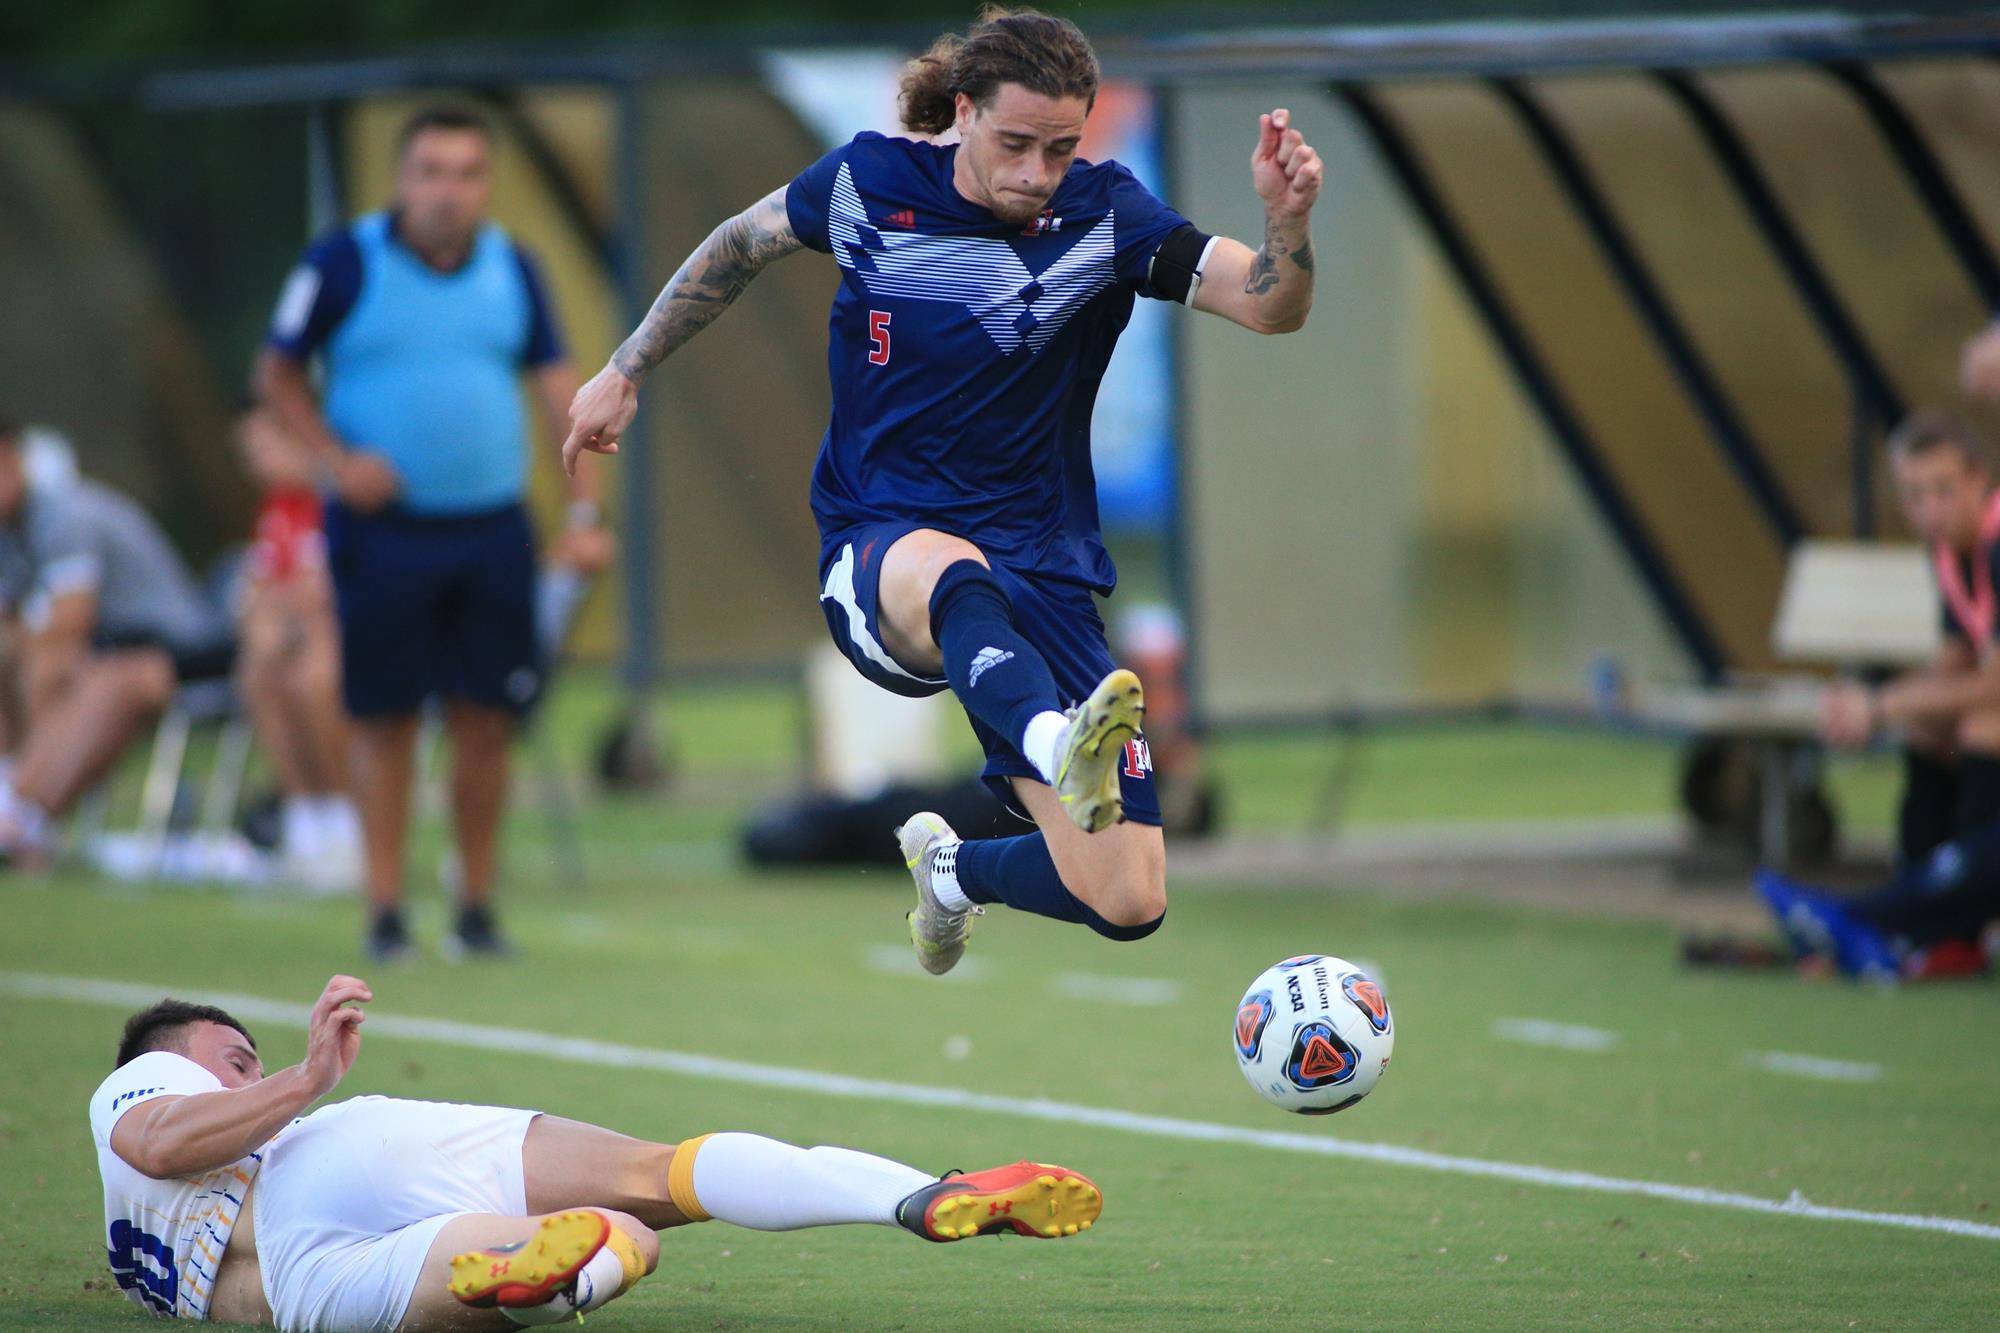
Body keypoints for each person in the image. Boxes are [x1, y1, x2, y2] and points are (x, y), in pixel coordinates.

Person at [562, 8, 1321, 974]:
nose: (1037, 172)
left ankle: (955, 873)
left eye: (1061, 148)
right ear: (962, 112)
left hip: (1043, 575)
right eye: (1016, 143)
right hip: (883, 550)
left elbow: (1268, 305)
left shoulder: (1108, 217)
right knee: (954, 567)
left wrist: (1287, 222)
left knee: (1129, 897)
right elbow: (740, 243)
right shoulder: (867, 185)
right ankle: (1053, 741)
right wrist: (625, 367)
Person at [90, 975, 1103, 1329]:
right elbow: (162, 1140)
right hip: (336, 1161)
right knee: (655, 1178)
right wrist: (302, 1080)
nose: (249, 1073)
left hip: (304, 1292)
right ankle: (912, 1196)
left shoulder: (132, 1258)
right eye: (234, 1057)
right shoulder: (138, 1084)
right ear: (165, 1056)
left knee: (612, 1242)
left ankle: (552, 1281)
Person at [256, 104, 613, 961]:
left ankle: (475, 906)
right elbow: (276, 374)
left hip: (491, 527)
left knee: (487, 719)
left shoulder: (513, 268)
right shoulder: (344, 262)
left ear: (485, 184)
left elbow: (561, 393)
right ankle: (385, 908)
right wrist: (337, 461)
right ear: (401, 179)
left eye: (466, 173)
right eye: (431, 172)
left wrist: (584, 515)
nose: (448, 191)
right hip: (384, 532)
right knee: (385, 720)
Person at [1758, 413, 2000, 979]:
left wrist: (1880, 706)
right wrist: (1870, 706)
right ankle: (1929, 930)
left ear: (1979, 479)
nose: (1930, 509)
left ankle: (1913, 925)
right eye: (1914, 495)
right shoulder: (1950, 556)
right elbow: (1952, 668)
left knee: (1983, 726)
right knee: (1930, 729)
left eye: (1944, 489)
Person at [0, 416, 235, 866]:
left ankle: (23, 811)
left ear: (11, 458)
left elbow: (69, 625)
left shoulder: (66, 516)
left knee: (74, 671)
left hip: (180, 651)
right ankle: (17, 803)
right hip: (111, 653)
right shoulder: (9, 533)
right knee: (21, 656)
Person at [233, 400, 363, 893]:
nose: (254, 466)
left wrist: (276, 614)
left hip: (357, 639)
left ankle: (349, 822)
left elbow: (325, 593)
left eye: (262, 450)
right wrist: (269, 620)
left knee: (318, 674)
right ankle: (307, 819)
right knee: (261, 674)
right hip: (301, 639)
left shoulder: (339, 501)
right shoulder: (279, 508)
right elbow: (254, 593)